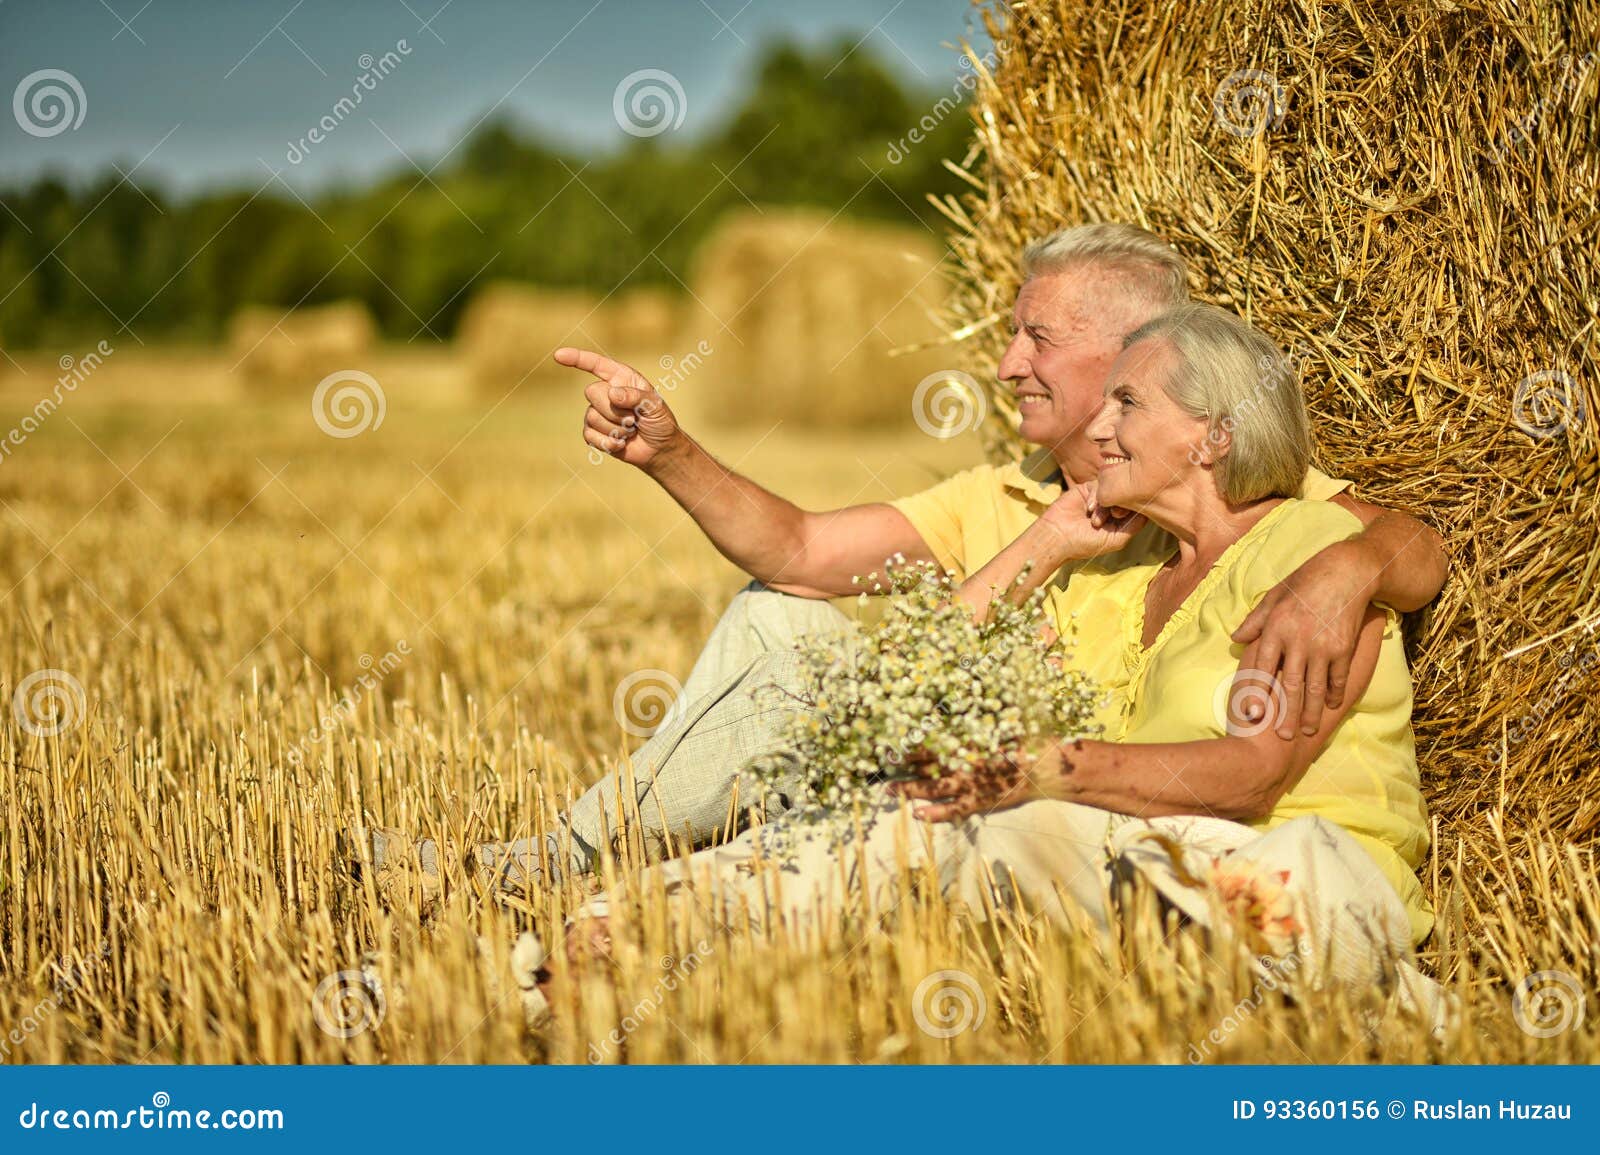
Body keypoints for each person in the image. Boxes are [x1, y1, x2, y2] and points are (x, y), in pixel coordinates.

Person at [361, 224, 1446, 895]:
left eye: (1037, 338)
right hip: (1013, 777)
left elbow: (1414, 544)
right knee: (779, 616)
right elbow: (795, 551)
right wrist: (670, 451)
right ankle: (572, 863)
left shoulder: (1253, 493)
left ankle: (741, 886)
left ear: (1142, 364)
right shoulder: (1003, 495)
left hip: (1092, 805)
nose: (1006, 360)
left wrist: (1345, 570)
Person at [551, 302, 1437, 1017]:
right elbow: (876, 648)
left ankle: (1323, 971)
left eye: (1129, 402)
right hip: (1138, 847)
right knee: (927, 809)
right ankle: (638, 920)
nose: (1102, 420)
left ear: (1212, 437)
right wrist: (1046, 550)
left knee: (1048, 828)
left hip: (1294, 854)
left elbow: (1251, 774)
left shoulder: (1316, 550)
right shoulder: (1115, 581)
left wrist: (1047, 769)